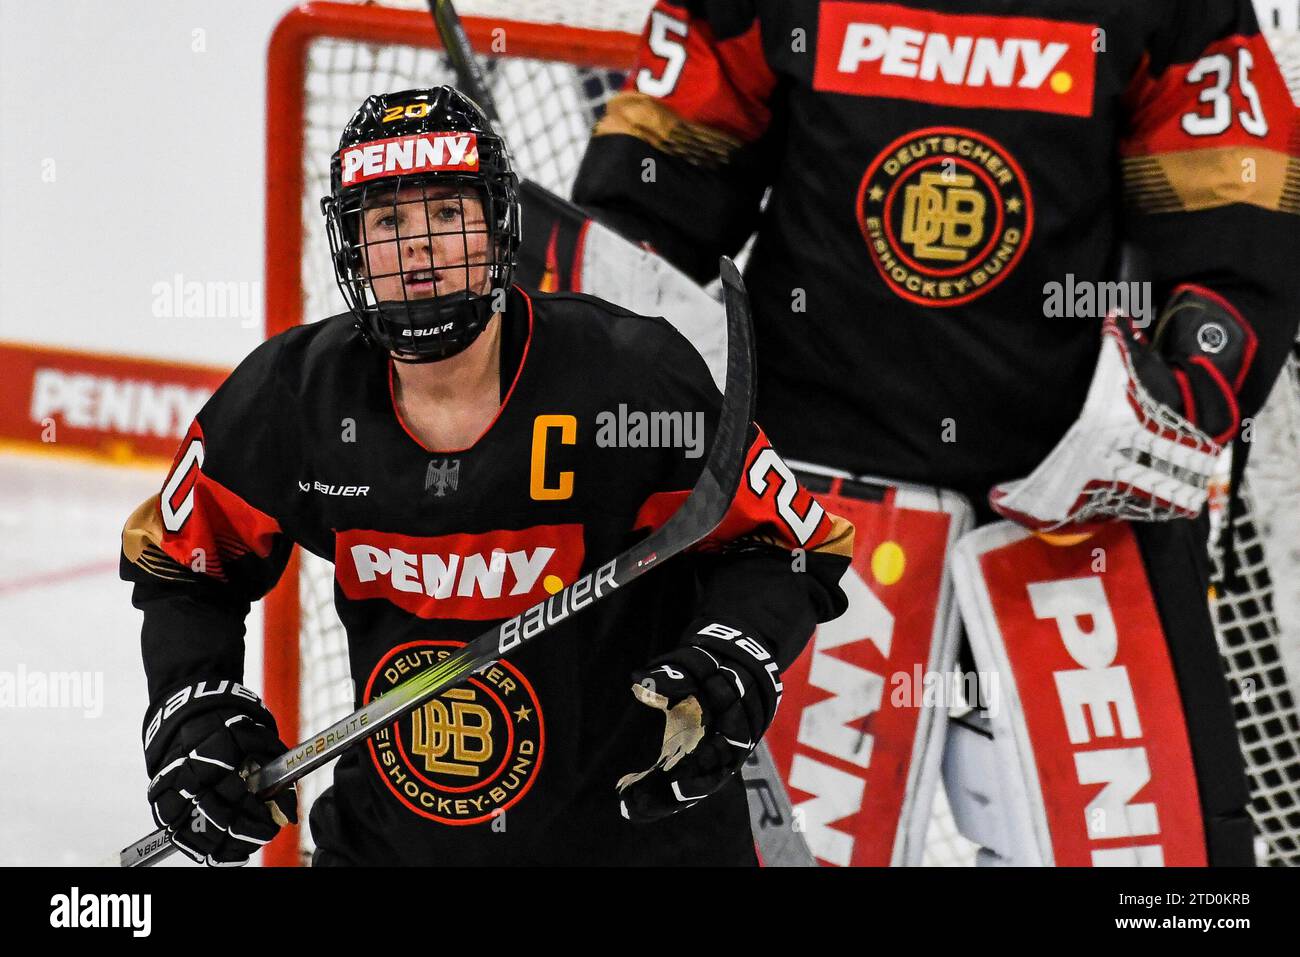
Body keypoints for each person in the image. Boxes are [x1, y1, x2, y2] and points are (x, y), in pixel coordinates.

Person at [571, 0, 1300, 864]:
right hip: (810, 515)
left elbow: (1236, 199)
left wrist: (1192, 383)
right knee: (762, 852)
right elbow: (650, 199)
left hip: (1069, 508)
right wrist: (605, 369)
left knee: (1157, 888)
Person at [120, 86, 853, 866]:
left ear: (500, 226)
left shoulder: (631, 380)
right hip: (393, 847)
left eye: (446, 213)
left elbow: (786, 547)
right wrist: (193, 706)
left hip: (639, 840)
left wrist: (733, 651)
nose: (419, 247)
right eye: (388, 222)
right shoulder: (295, 398)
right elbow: (186, 564)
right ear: (351, 246)